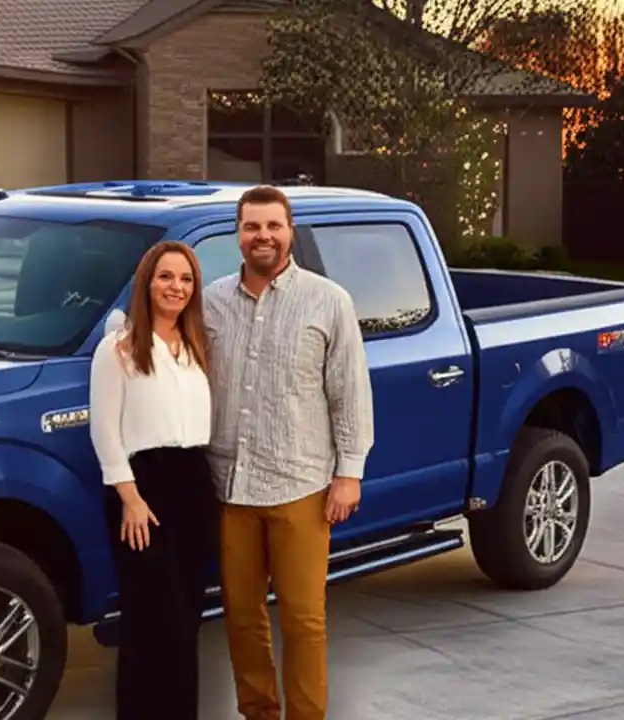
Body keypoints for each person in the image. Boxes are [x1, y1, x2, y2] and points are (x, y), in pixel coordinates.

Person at [203, 185, 374, 720]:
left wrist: (349, 473)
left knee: (303, 618)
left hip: (301, 484)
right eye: (252, 227)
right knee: (241, 616)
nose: (263, 237)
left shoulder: (329, 301)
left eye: (273, 226)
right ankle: (259, 712)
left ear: (290, 232)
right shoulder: (210, 302)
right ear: (238, 234)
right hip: (230, 485)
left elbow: (349, 392)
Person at [88, 240, 218, 720]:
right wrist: (130, 498)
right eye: (166, 277)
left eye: (185, 279)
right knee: (148, 621)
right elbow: (104, 429)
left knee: (185, 620)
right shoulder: (118, 349)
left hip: (193, 485)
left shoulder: (197, 346)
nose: (176, 287)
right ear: (147, 282)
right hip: (142, 490)